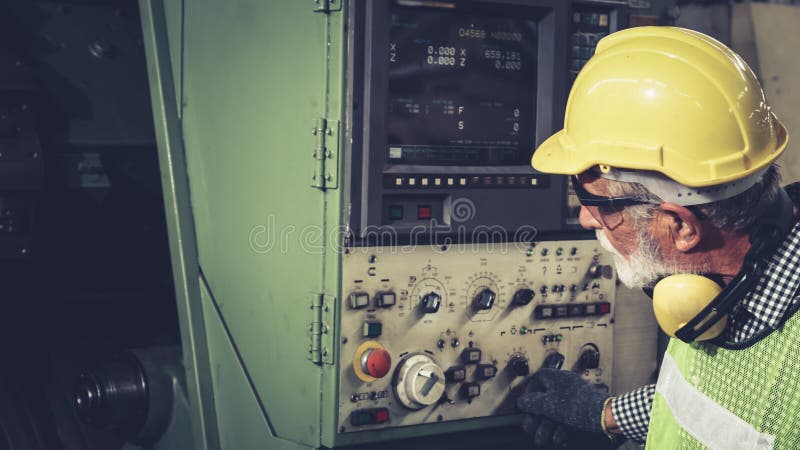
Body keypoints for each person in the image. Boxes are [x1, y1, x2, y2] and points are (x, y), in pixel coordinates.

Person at [517, 26, 800, 449]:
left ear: (681, 226)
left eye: (596, 202)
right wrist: (604, 416)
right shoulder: (712, 290)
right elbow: (713, 401)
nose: (585, 219)